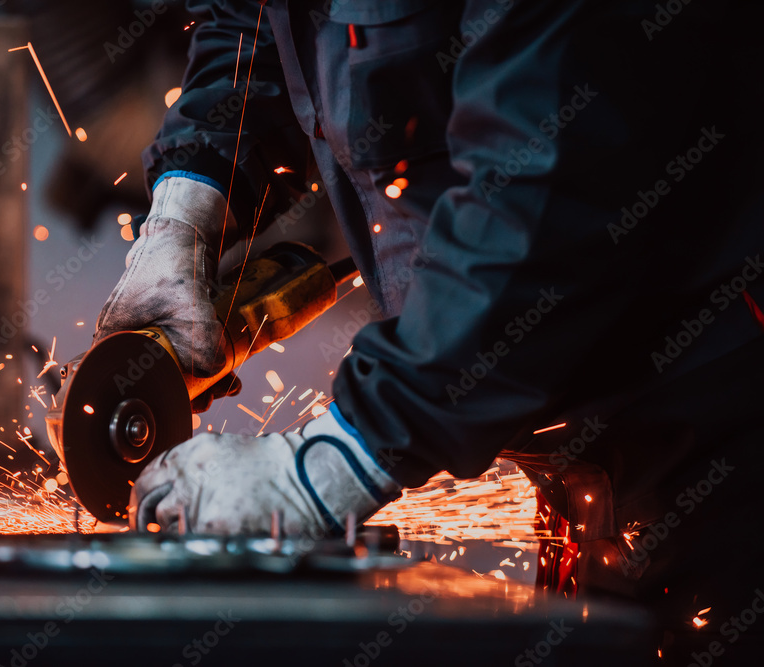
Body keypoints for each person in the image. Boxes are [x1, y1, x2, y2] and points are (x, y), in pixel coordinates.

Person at [93, 0, 764, 662]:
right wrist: (186, 203)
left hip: (713, 417)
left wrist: (336, 459)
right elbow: (255, 23)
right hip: (576, 431)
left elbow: (544, 190)